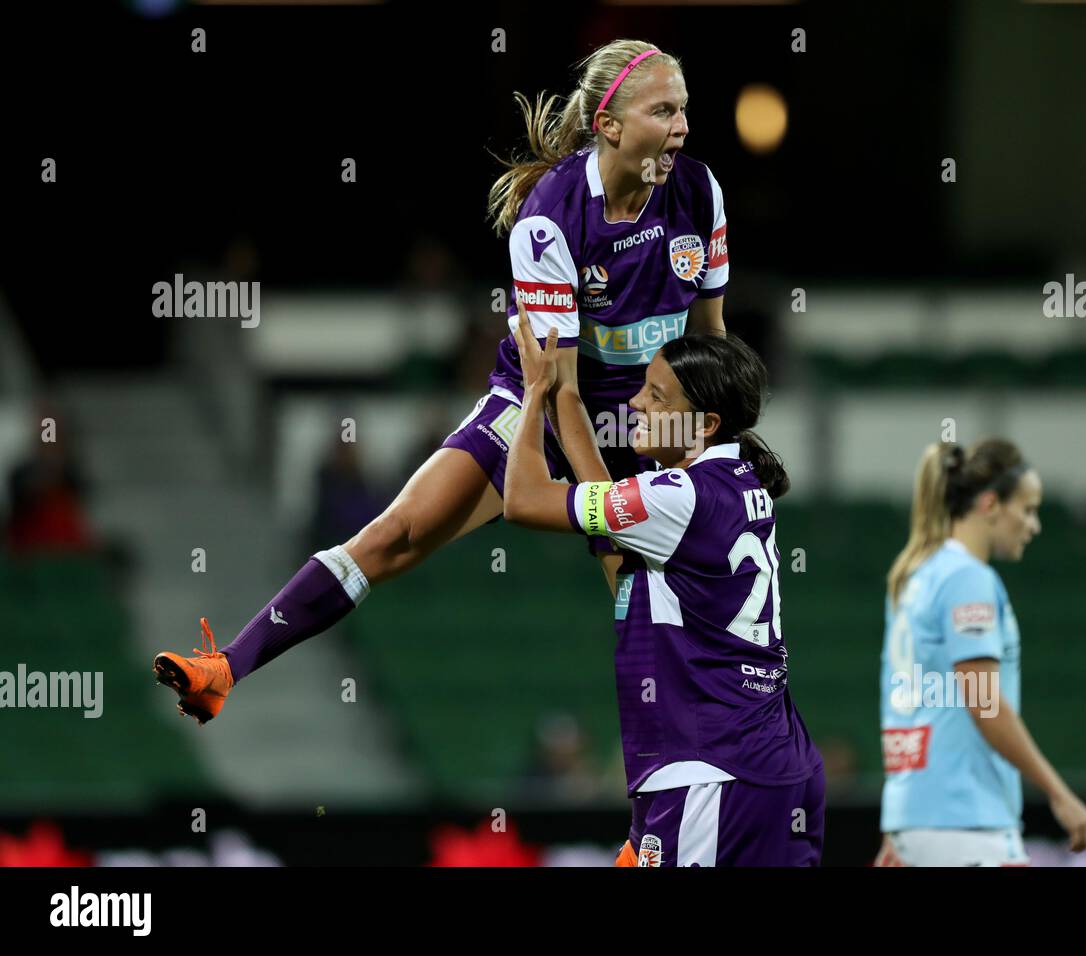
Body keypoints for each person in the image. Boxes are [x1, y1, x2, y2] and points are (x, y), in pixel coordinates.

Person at [152, 39, 729, 724]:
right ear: (609, 125)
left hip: (646, 417)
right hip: (541, 412)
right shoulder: (551, 221)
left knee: (677, 619)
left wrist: (716, 452)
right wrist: (605, 524)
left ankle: (669, 822)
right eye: (664, 111)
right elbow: (563, 393)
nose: (683, 126)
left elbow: (710, 340)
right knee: (393, 537)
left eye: (684, 110)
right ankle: (226, 667)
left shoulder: (700, 191)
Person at [503, 315, 823, 867]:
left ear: (704, 424)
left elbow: (523, 500)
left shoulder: (678, 496)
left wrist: (534, 393)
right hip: (767, 766)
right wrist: (568, 399)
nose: (634, 403)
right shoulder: (741, 483)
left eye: (656, 396)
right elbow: (616, 542)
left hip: (712, 775)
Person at [875, 440, 1086, 866]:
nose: (1034, 526)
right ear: (991, 503)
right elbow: (984, 703)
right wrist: (1059, 793)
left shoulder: (913, 576)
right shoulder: (968, 580)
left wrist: (904, 824)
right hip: (968, 824)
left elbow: (903, 702)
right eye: (1028, 510)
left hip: (914, 819)